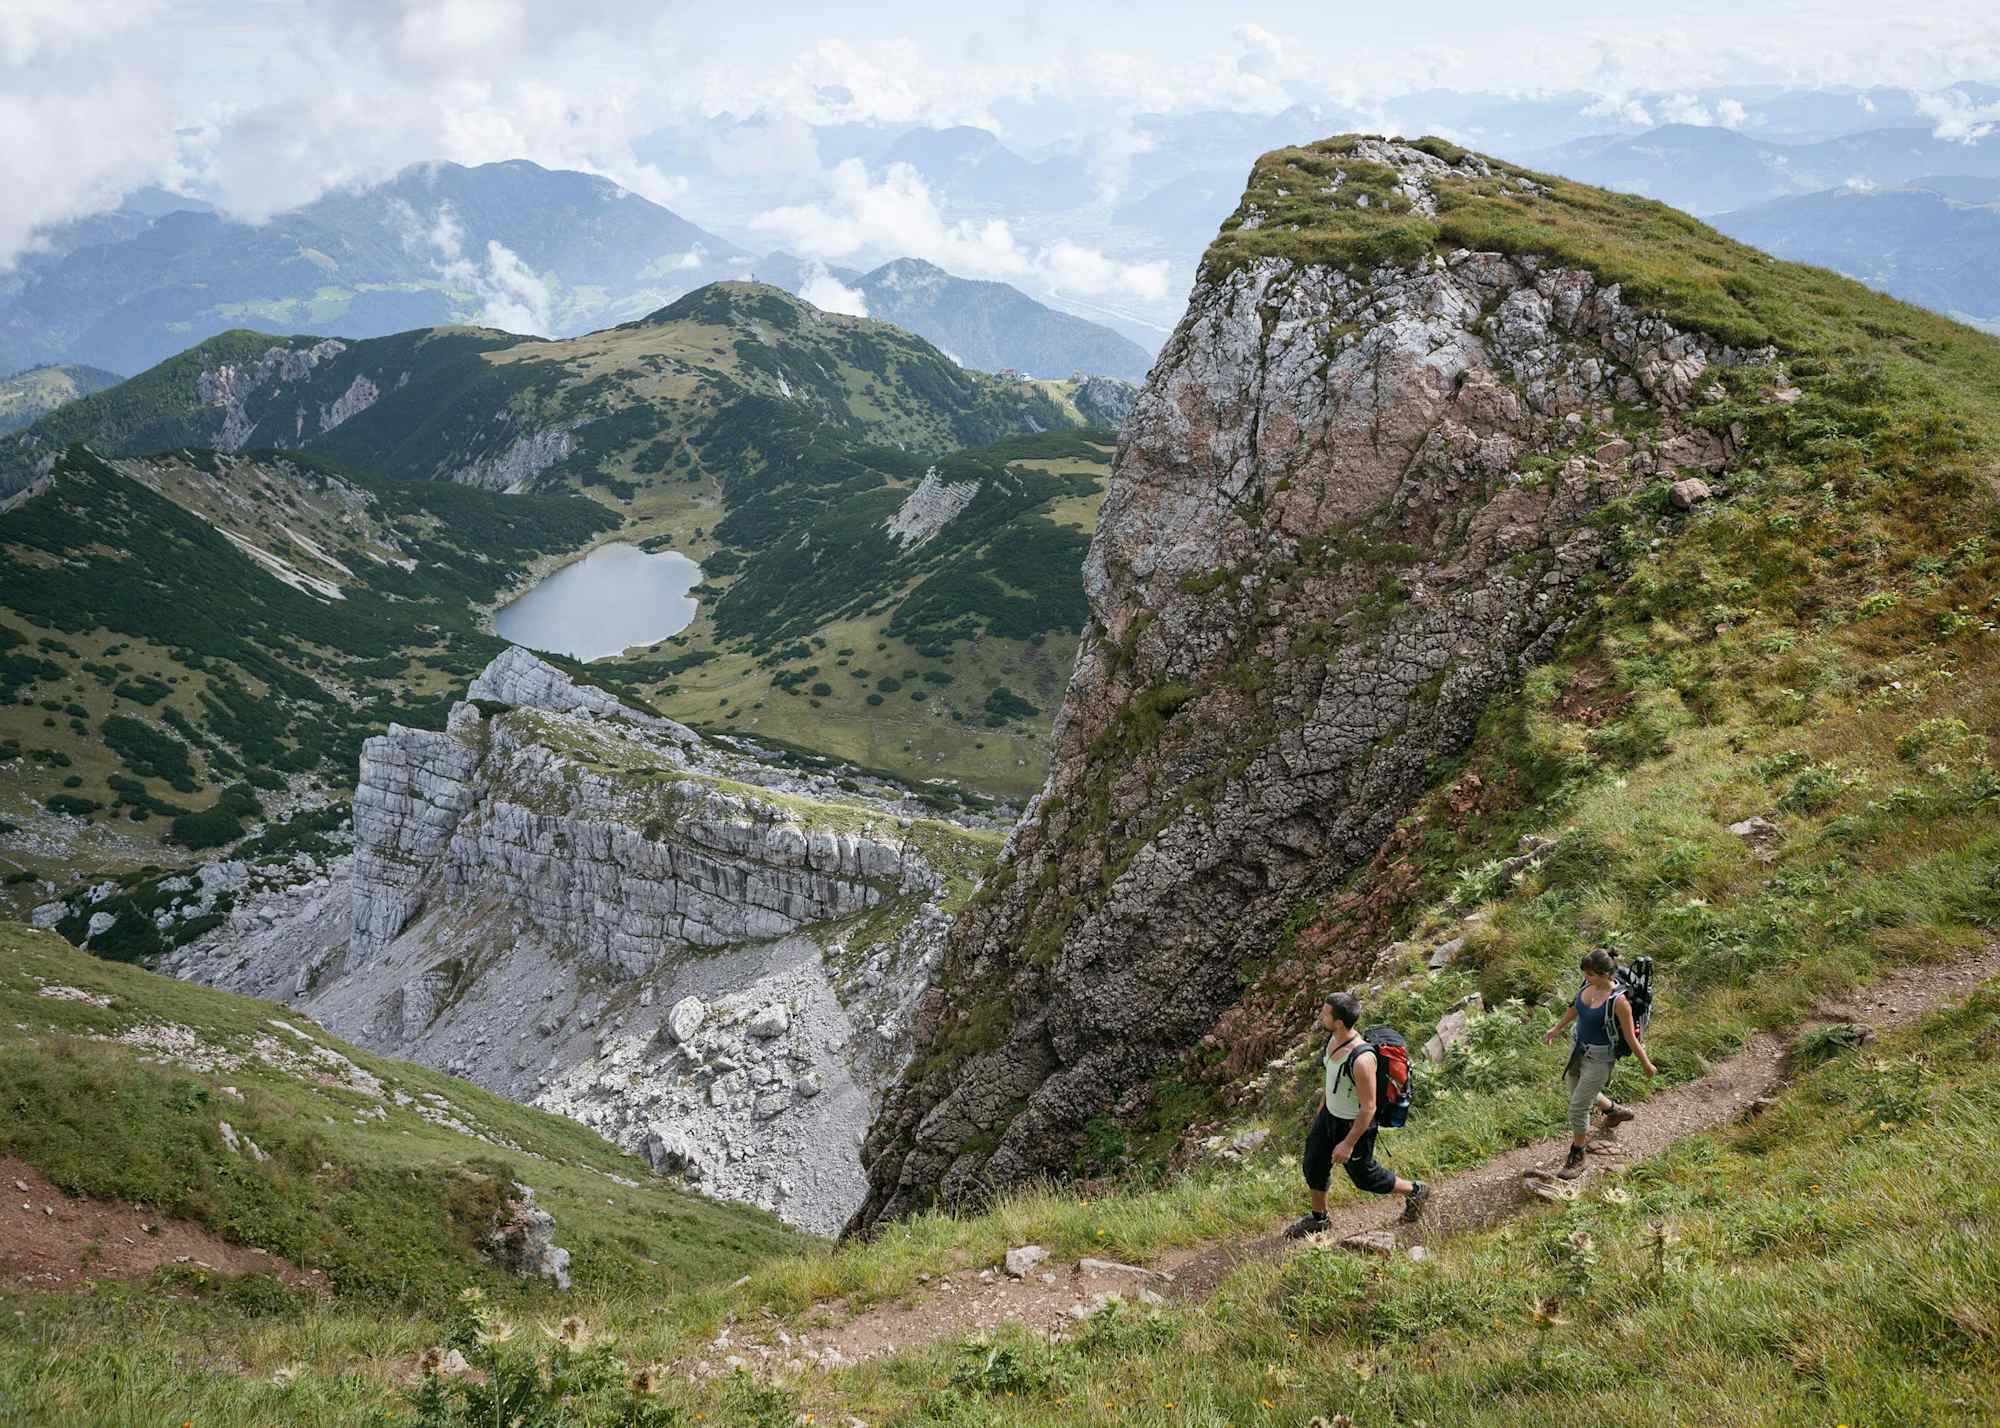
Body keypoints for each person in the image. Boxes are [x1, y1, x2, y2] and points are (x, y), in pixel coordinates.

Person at [1284, 991, 1429, 1238]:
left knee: (1366, 1178)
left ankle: (1416, 1191)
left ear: (1339, 1022)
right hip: (1329, 1116)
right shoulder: (1331, 1041)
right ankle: (1320, 1219)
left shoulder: (1362, 1060)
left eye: (1325, 1013)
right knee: (1313, 1165)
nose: (1320, 1015)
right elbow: (1331, 1077)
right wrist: (1323, 1109)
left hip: (1354, 1124)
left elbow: (1369, 1107)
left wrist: (1348, 1143)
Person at [1542, 947, 1656, 1179]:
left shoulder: (1619, 1002)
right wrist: (1556, 1028)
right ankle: (1614, 1111)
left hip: (1600, 1058)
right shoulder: (1587, 987)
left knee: (1577, 1107)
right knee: (1578, 1094)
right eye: (1585, 973)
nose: (1586, 978)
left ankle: (1578, 1155)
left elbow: (1630, 1037)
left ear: (1605, 974)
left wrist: (1646, 1063)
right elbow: (1575, 1007)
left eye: (1591, 974)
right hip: (1578, 1051)